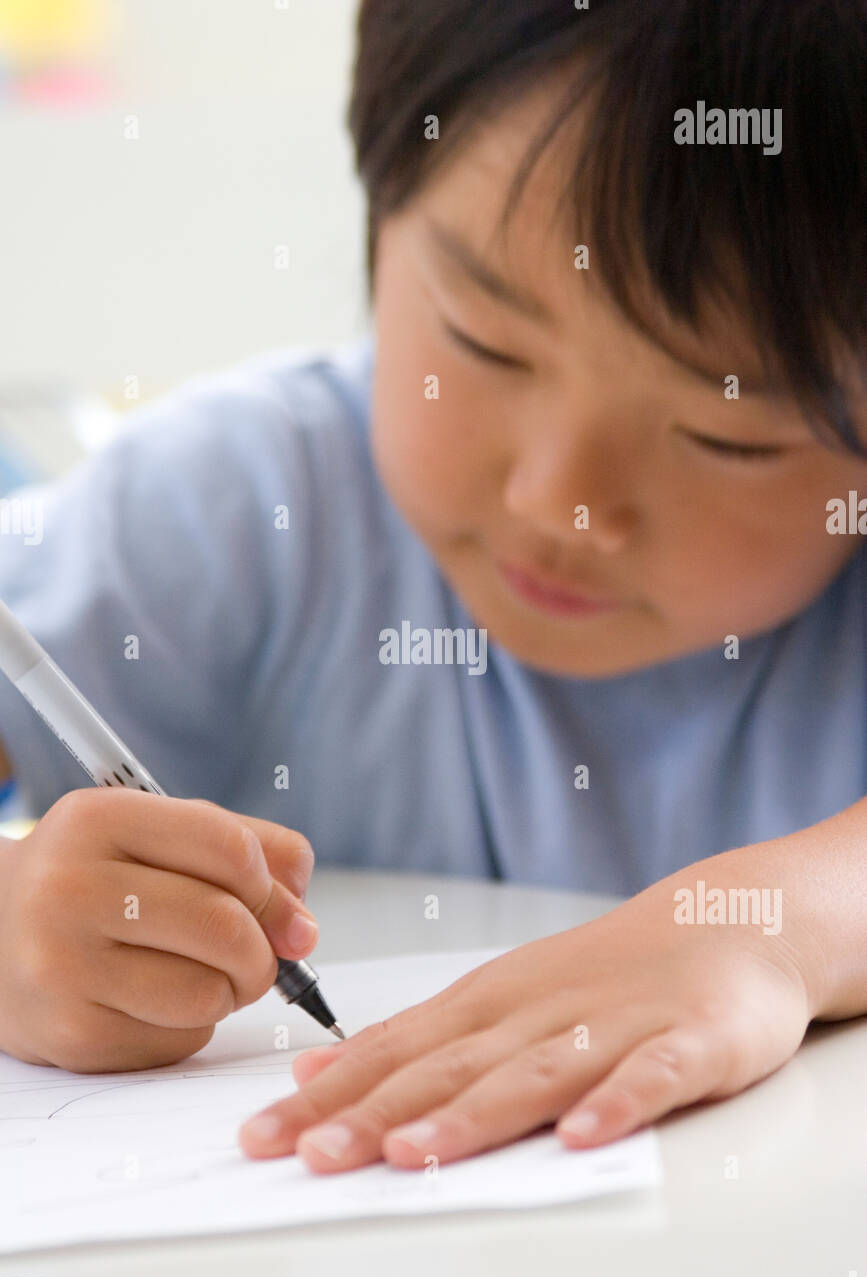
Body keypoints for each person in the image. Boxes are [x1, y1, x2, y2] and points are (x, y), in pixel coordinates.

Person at [0, 1, 865, 1176]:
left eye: (728, 436)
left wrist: (782, 924)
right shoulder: (238, 506)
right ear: (379, 206)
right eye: (486, 343)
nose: (561, 503)